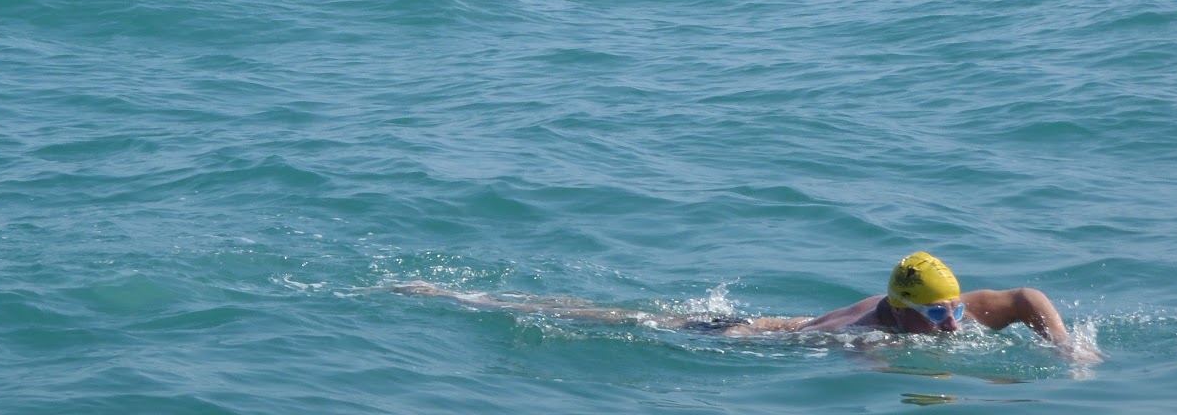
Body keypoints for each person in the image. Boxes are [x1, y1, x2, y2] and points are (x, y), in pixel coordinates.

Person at [394, 251, 1097, 359]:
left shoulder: (962, 308)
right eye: (936, 315)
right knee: (623, 321)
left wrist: (1064, 342)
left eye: (952, 311)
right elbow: (863, 366)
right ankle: (450, 293)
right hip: (767, 335)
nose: (950, 323)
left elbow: (1028, 296)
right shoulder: (874, 334)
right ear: (901, 309)